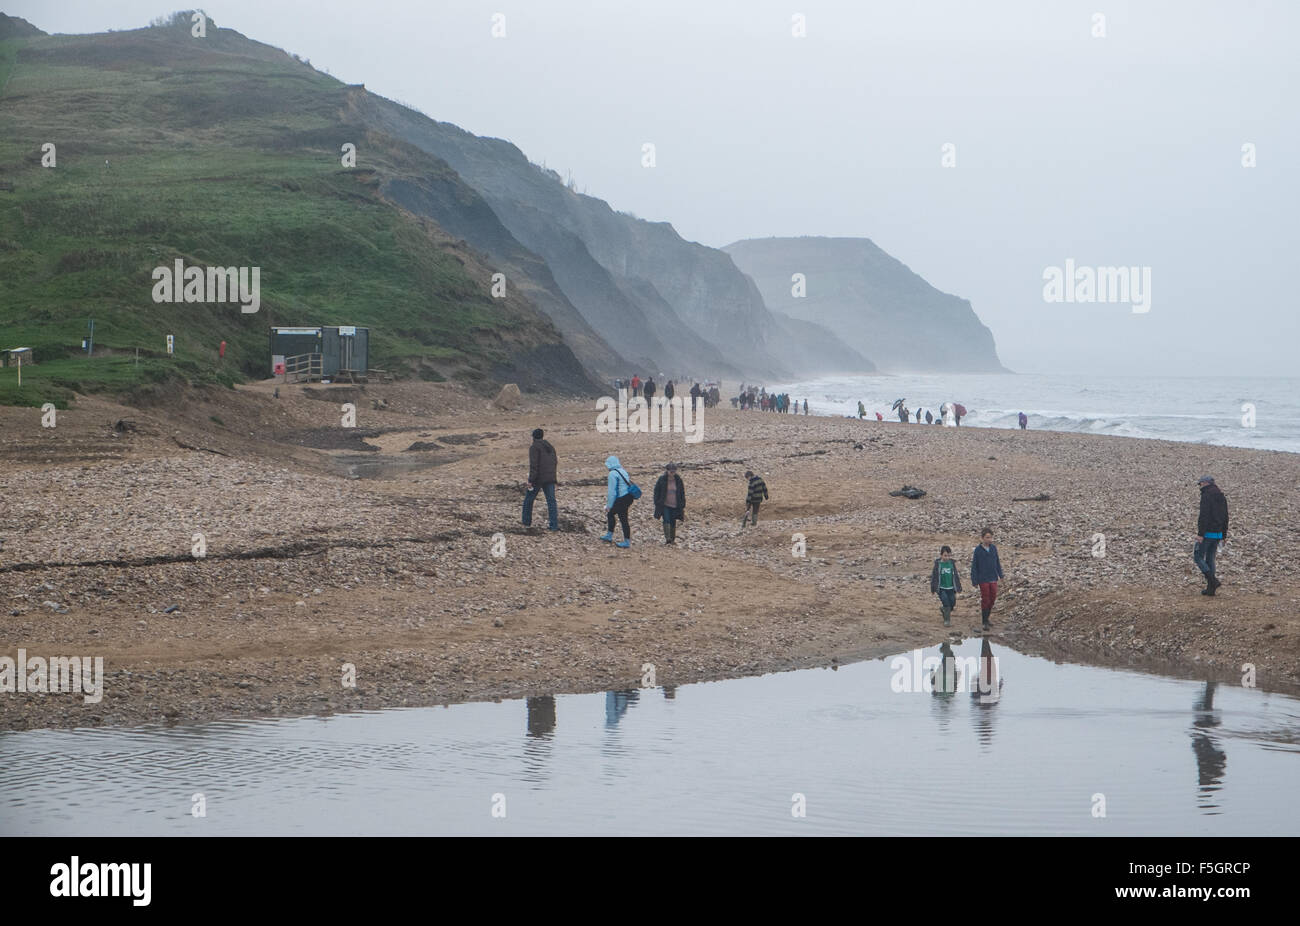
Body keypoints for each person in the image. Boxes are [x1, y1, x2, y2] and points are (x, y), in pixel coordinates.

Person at [1194, 475, 1229, 596]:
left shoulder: (1206, 495)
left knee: (1198, 556)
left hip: (1207, 533)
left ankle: (1213, 581)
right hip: (1218, 533)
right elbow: (1226, 516)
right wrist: (1224, 535)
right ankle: (1211, 589)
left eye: (1200, 484)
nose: (1199, 486)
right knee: (1210, 559)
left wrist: (1200, 534)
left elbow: (1204, 516)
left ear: (1205, 483)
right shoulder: (1221, 495)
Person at [522, 428, 559, 531]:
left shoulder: (534, 447)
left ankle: (526, 522)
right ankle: (554, 525)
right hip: (550, 477)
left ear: (533, 437)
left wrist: (530, 480)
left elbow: (534, 465)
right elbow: (555, 461)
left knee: (528, 500)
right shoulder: (550, 447)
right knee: (551, 502)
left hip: (538, 479)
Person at [970, 528, 1004, 631]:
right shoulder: (978, 550)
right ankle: (984, 621)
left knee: (993, 598)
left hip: (993, 577)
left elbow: (997, 562)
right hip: (983, 578)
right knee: (986, 598)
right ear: (982, 538)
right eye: (987, 537)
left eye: (991, 537)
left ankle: (987, 617)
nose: (989, 539)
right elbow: (974, 566)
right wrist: (974, 580)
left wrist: (1001, 575)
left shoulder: (993, 548)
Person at [600, 455, 636, 548]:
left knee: (610, 514)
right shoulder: (622, 471)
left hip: (622, 498)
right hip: (628, 497)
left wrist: (609, 506)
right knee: (623, 518)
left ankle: (609, 535)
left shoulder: (612, 474)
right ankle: (626, 540)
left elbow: (612, 492)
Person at [653, 463, 686, 544]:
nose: (672, 473)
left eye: (674, 471)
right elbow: (656, 491)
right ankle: (668, 538)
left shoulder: (678, 480)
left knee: (673, 521)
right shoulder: (662, 479)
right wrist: (657, 502)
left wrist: (682, 503)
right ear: (667, 471)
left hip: (675, 505)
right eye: (671, 471)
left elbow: (682, 492)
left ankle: (672, 539)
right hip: (665, 504)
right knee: (666, 520)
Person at [930, 545, 963, 627]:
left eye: (949, 555)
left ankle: (944, 610)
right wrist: (933, 588)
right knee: (946, 602)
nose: (947, 557)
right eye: (945, 555)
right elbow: (934, 576)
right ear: (941, 555)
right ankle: (947, 620)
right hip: (941, 588)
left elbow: (955, 576)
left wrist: (958, 587)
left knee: (952, 602)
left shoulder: (952, 564)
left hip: (951, 588)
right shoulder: (938, 565)